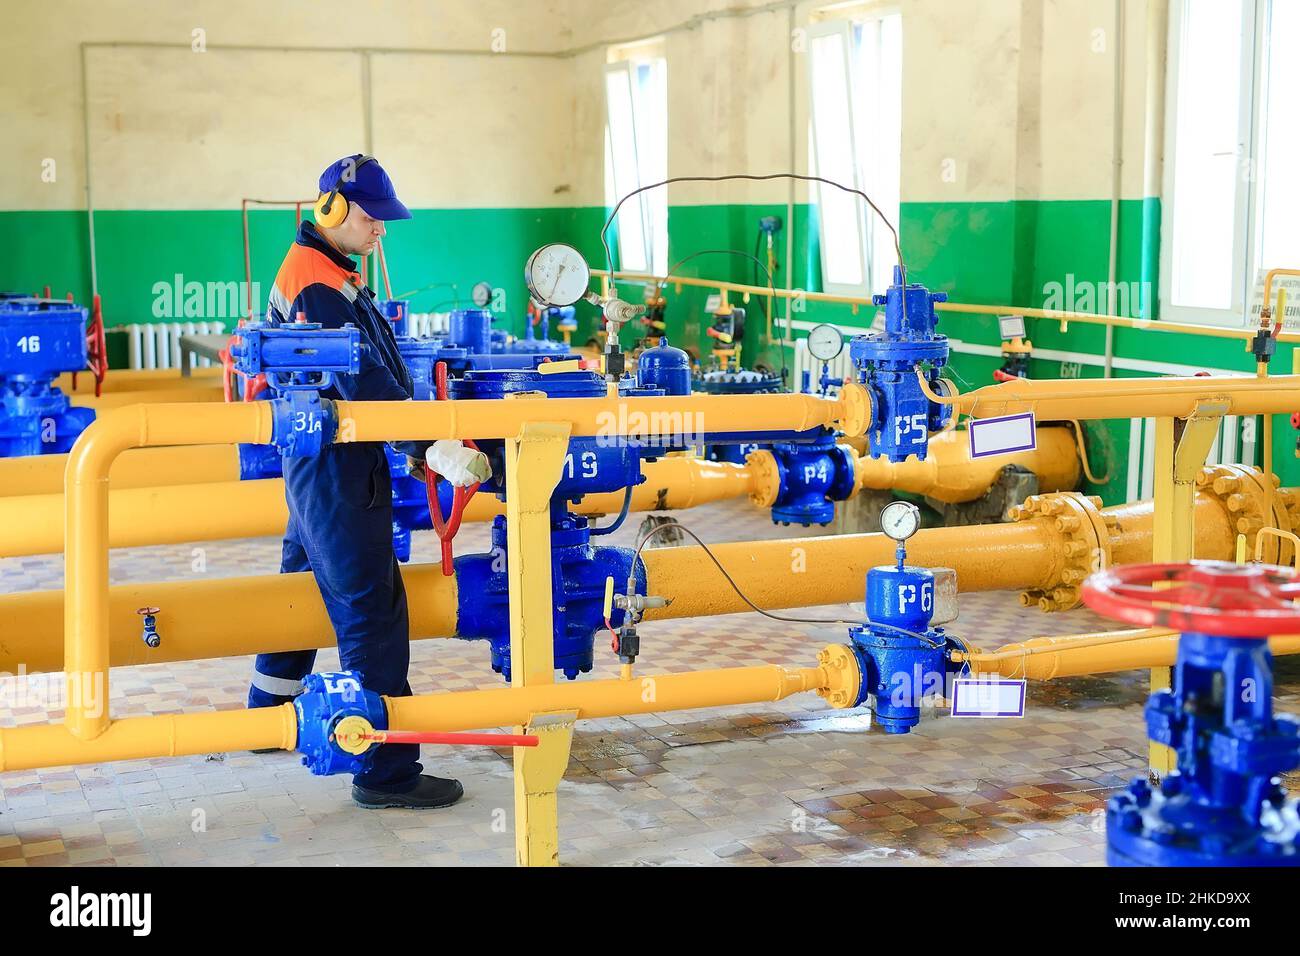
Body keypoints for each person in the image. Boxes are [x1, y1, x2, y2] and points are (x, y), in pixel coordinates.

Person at [246, 154, 483, 809]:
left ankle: (266, 714)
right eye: (374, 218)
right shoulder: (319, 284)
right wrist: (432, 445)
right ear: (334, 211)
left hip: (318, 465)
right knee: (371, 614)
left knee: (300, 588)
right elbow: (368, 387)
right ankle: (386, 773)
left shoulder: (326, 270)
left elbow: (371, 369)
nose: (383, 230)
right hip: (339, 468)